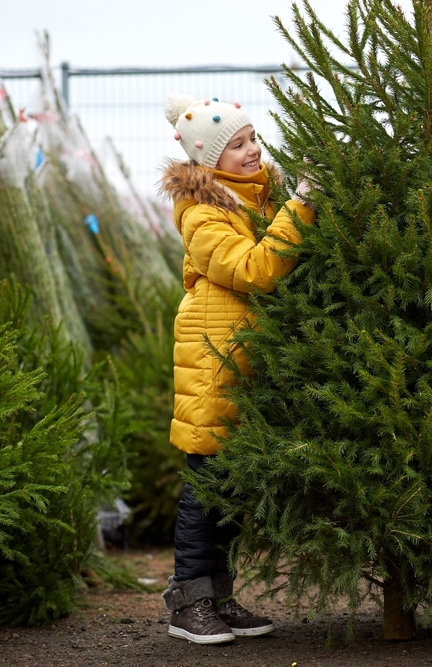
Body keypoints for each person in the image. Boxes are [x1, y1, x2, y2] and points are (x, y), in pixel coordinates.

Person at [158, 93, 316, 644]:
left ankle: (218, 599)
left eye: (253, 139)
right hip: (214, 363)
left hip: (246, 360)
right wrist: (301, 206)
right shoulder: (203, 214)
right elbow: (256, 270)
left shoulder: (259, 199)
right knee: (206, 487)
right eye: (238, 145)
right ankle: (186, 605)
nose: (252, 151)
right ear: (208, 159)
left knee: (231, 491)